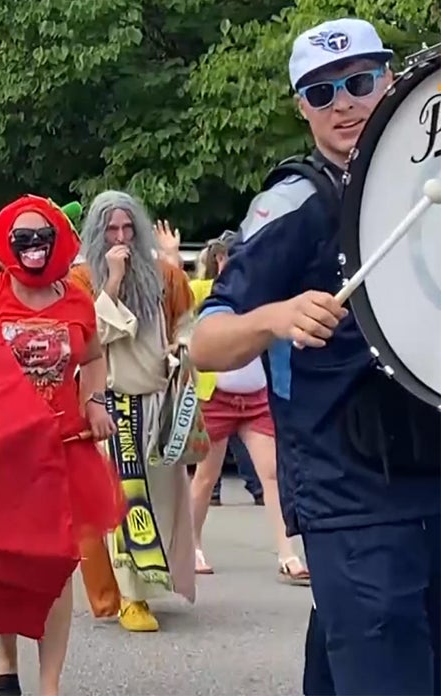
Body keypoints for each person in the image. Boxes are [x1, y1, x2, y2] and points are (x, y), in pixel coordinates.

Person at [191, 18, 438, 696]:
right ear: (302, 106)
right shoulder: (295, 203)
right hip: (350, 490)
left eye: (360, 81)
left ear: (392, 79)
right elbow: (205, 341)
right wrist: (275, 317)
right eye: (322, 92)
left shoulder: (428, 182)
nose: (345, 103)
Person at [0, 196, 123, 696]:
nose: (33, 246)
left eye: (42, 237)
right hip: (1, 455)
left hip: (61, 451)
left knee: (57, 568)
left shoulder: (76, 299)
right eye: (23, 238)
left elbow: (92, 356)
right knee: (7, 567)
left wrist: (94, 401)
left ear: (57, 241)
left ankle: (50, 686)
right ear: (8, 245)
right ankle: (6, 654)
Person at [69, 190, 196, 632]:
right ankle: (129, 597)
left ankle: (152, 584)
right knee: (125, 504)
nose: (121, 238)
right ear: (97, 233)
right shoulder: (82, 280)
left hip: (158, 401)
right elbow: (87, 338)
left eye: (127, 228)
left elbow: (186, 324)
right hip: (115, 406)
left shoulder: (165, 275)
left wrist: (181, 349)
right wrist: (113, 282)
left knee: (160, 499)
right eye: (111, 230)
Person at [187, 235, 307, 582]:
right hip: (217, 398)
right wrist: (167, 255)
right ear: (221, 261)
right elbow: (181, 296)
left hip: (255, 397)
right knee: (206, 477)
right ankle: (192, 545)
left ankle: (288, 553)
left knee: (271, 473)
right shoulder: (206, 290)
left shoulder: (266, 293)